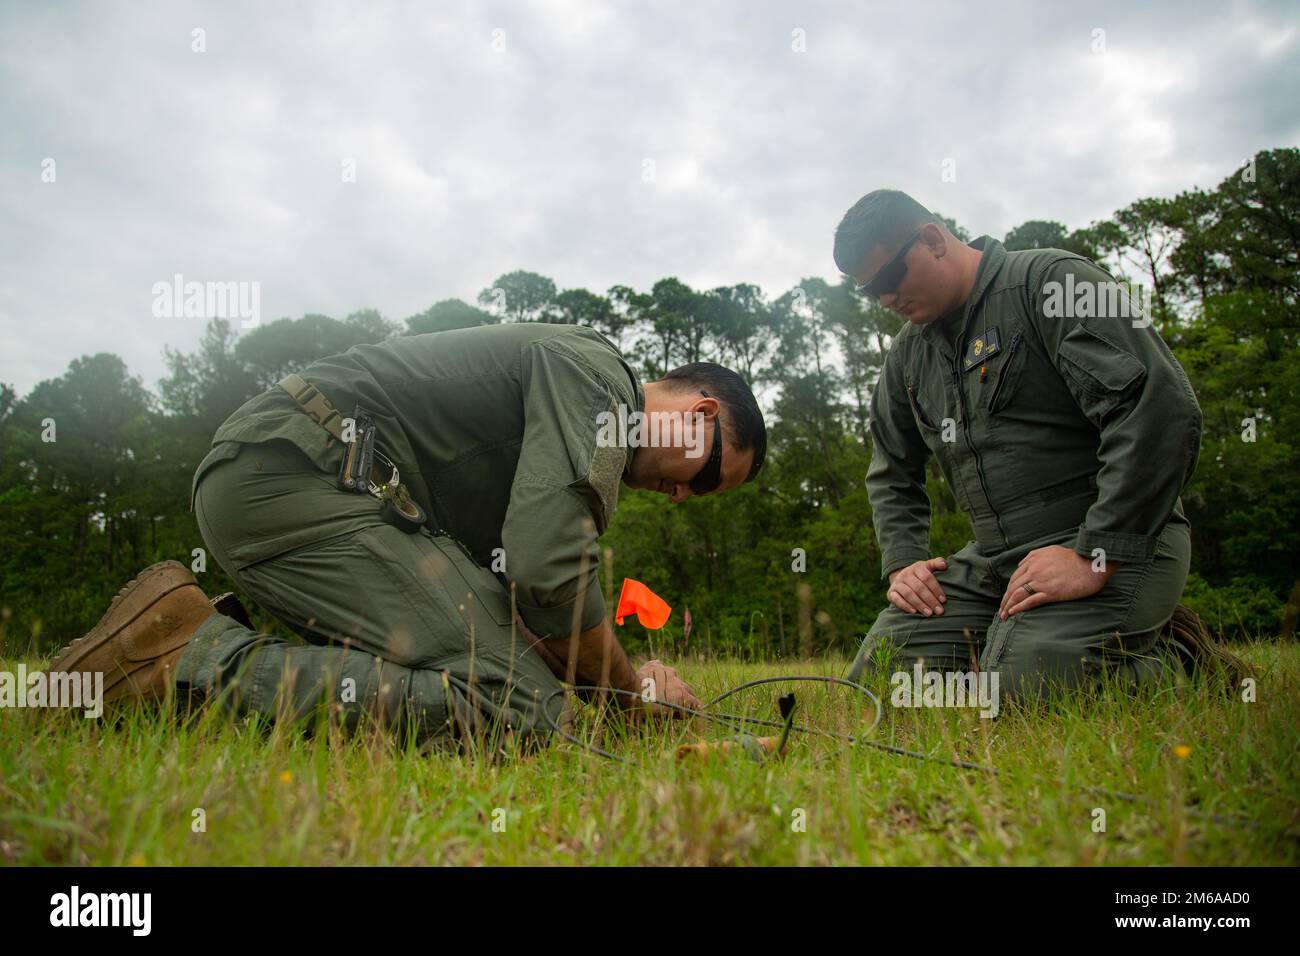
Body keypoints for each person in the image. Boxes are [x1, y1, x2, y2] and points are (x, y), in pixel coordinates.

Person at [47, 322, 766, 747]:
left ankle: (200, 648)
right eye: (703, 477)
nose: (679, 495)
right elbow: (549, 573)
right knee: (520, 708)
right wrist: (630, 702)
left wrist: (625, 683)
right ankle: (186, 659)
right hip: (295, 482)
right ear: (698, 414)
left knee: (517, 684)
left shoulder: (580, 413)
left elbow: (523, 608)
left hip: (295, 488)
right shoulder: (599, 378)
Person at [835, 189, 1209, 702]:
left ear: (932, 240)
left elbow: (1159, 408)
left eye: (887, 279)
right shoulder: (907, 356)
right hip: (994, 560)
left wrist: (1093, 554)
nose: (883, 301)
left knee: (1018, 693)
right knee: (880, 685)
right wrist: (904, 563)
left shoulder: (1050, 283)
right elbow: (890, 470)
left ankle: (1178, 661)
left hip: (1114, 541)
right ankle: (1016, 648)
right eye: (868, 292)